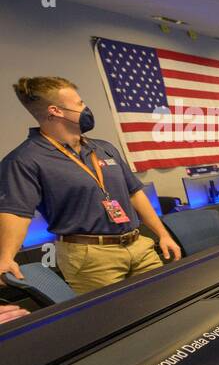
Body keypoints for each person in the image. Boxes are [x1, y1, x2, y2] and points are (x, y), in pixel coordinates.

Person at [0, 76, 182, 294]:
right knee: (115, 319)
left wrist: (162, 234)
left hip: (138, 244)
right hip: (90, 258)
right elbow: (17, 212)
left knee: (164, 299)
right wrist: (5, 257)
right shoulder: (25, 159)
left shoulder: (103, 148)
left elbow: (134, 193)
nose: (85, 108)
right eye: (79, 103)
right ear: (55, 111)